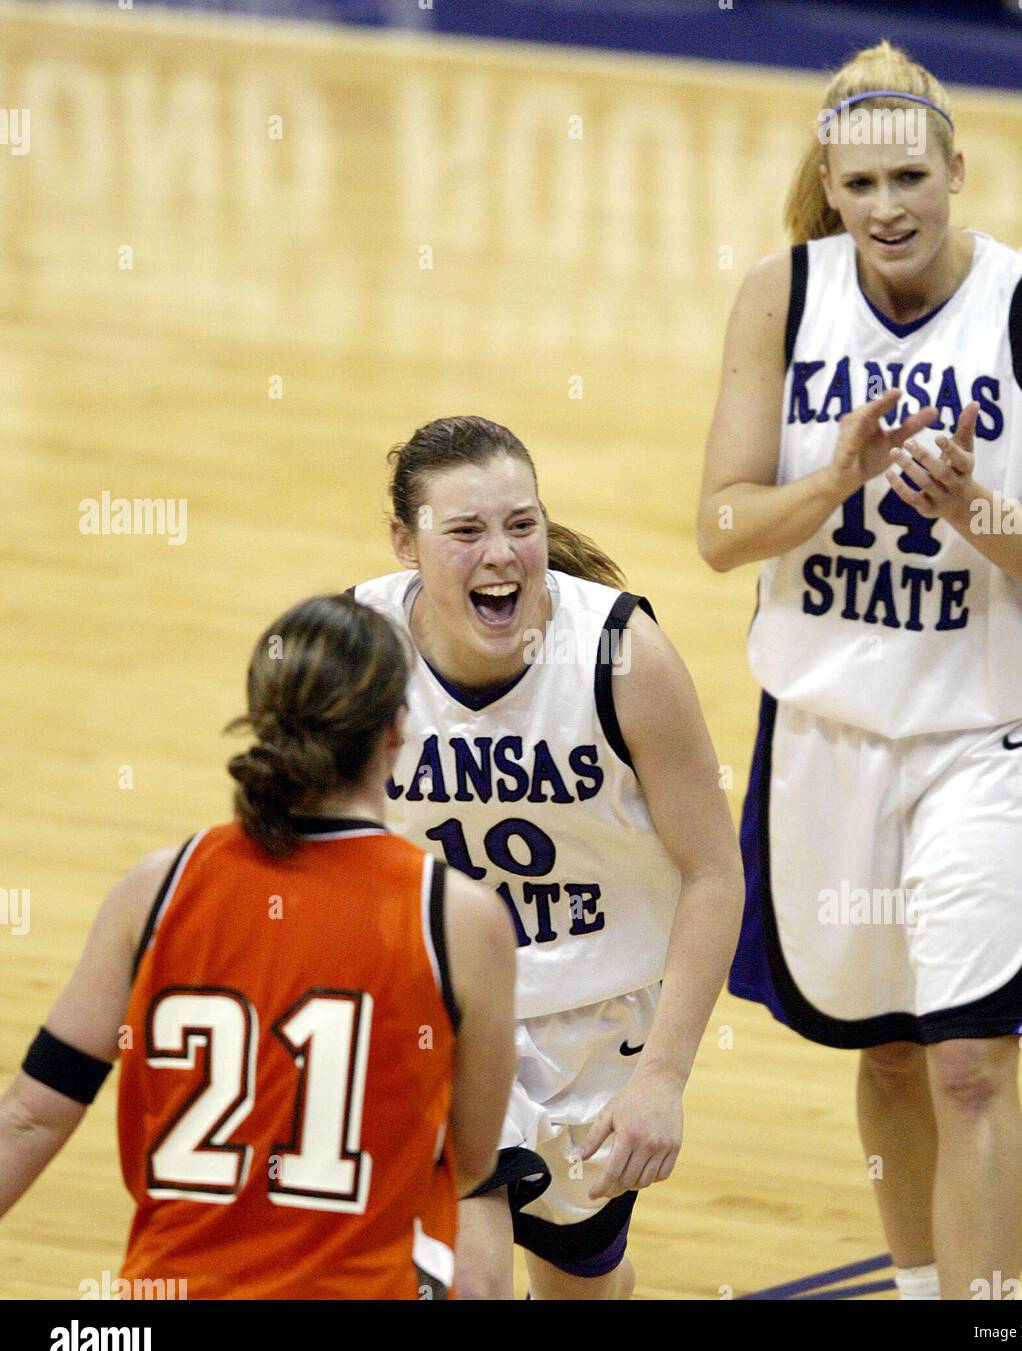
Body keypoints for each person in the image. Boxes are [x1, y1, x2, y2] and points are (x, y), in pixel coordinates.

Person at [697, 41, 1022, 1301]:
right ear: (830, 178)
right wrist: (832, 479)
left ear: (956, 171)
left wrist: (976, 510)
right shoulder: (781, 291)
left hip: (987, 735)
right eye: (863, 181)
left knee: (970, 1061)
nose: (888, 207)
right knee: (881, 1057)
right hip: (825, 733)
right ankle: (927, 1292)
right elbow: (719, 529)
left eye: (911, 178)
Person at [0, 593, 516, 1299]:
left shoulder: (157, 887)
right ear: (396, 728)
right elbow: (473, 1156)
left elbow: (30, 1114)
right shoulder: (456, 917)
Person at [351, 415, 744, 1300]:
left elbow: (715, 875)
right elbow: (314, 858)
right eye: (465, 532)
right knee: (456, 1277)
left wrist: (661, 1082)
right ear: (404, 545)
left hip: (591, 1019)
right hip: (433, 1012)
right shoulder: (357, 648)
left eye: (520, 525)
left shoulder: (621, 656)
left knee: (577, 1277)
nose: (501, 555)